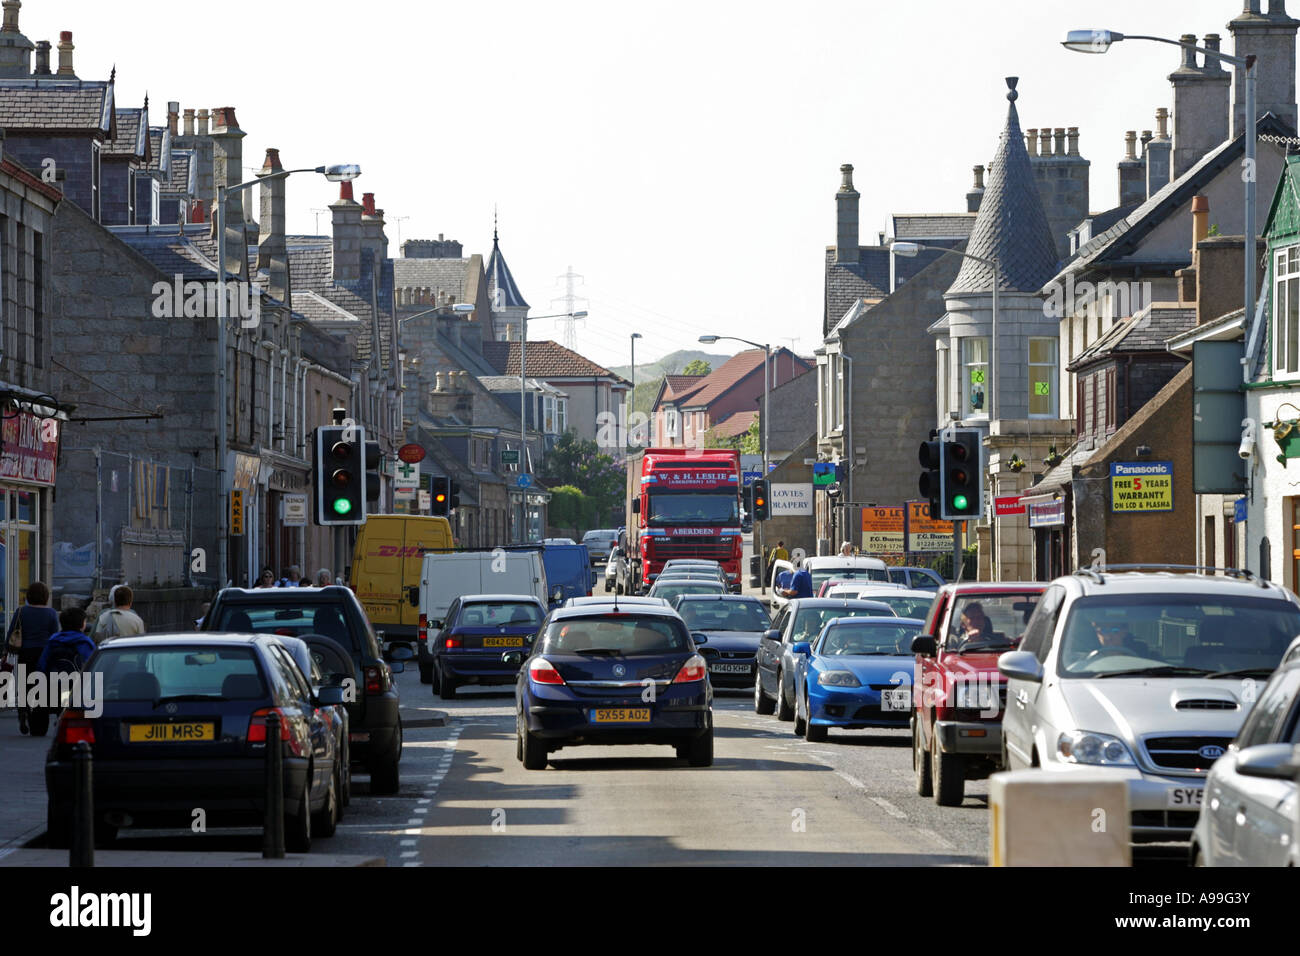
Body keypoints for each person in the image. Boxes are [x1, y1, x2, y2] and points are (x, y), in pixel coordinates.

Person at [6, 582, 61, 735]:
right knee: (42, 686)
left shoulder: (21, 611)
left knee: (25, 684)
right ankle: (40, 720)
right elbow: (55, 636)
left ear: (28, 596)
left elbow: (11, 632)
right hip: (45, 654)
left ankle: (23, 711)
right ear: (45, 596)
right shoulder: (51, 613)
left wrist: (6, 650)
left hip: (25, 653)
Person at [38, 607, 96, 673]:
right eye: (85, 621)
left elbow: (41, 666)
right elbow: (93, 668)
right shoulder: (86, 643)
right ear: (82, 625)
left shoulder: (53, 640)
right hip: (78, 681)